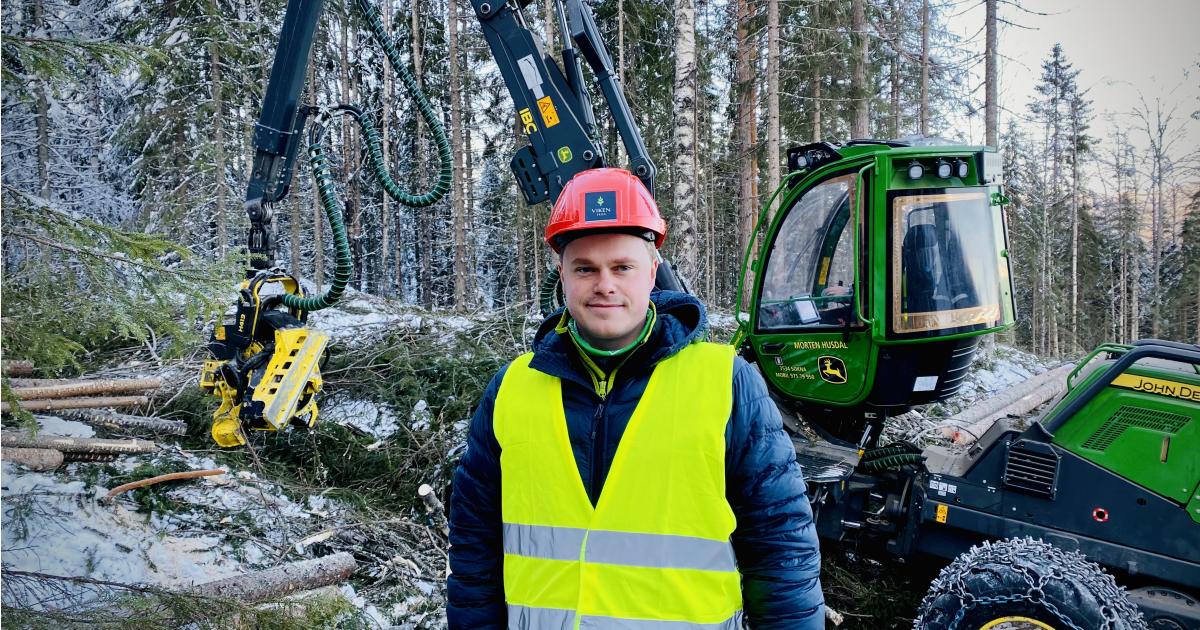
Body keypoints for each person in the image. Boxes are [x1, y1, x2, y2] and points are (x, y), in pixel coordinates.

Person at [447, 168, 824, 629]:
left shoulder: (726, 383)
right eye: (585, 268)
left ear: (651, 271)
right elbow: (474, 548)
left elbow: (781, 547)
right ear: (562, 275)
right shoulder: (512, 389)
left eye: (622, 267)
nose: (604, 284)